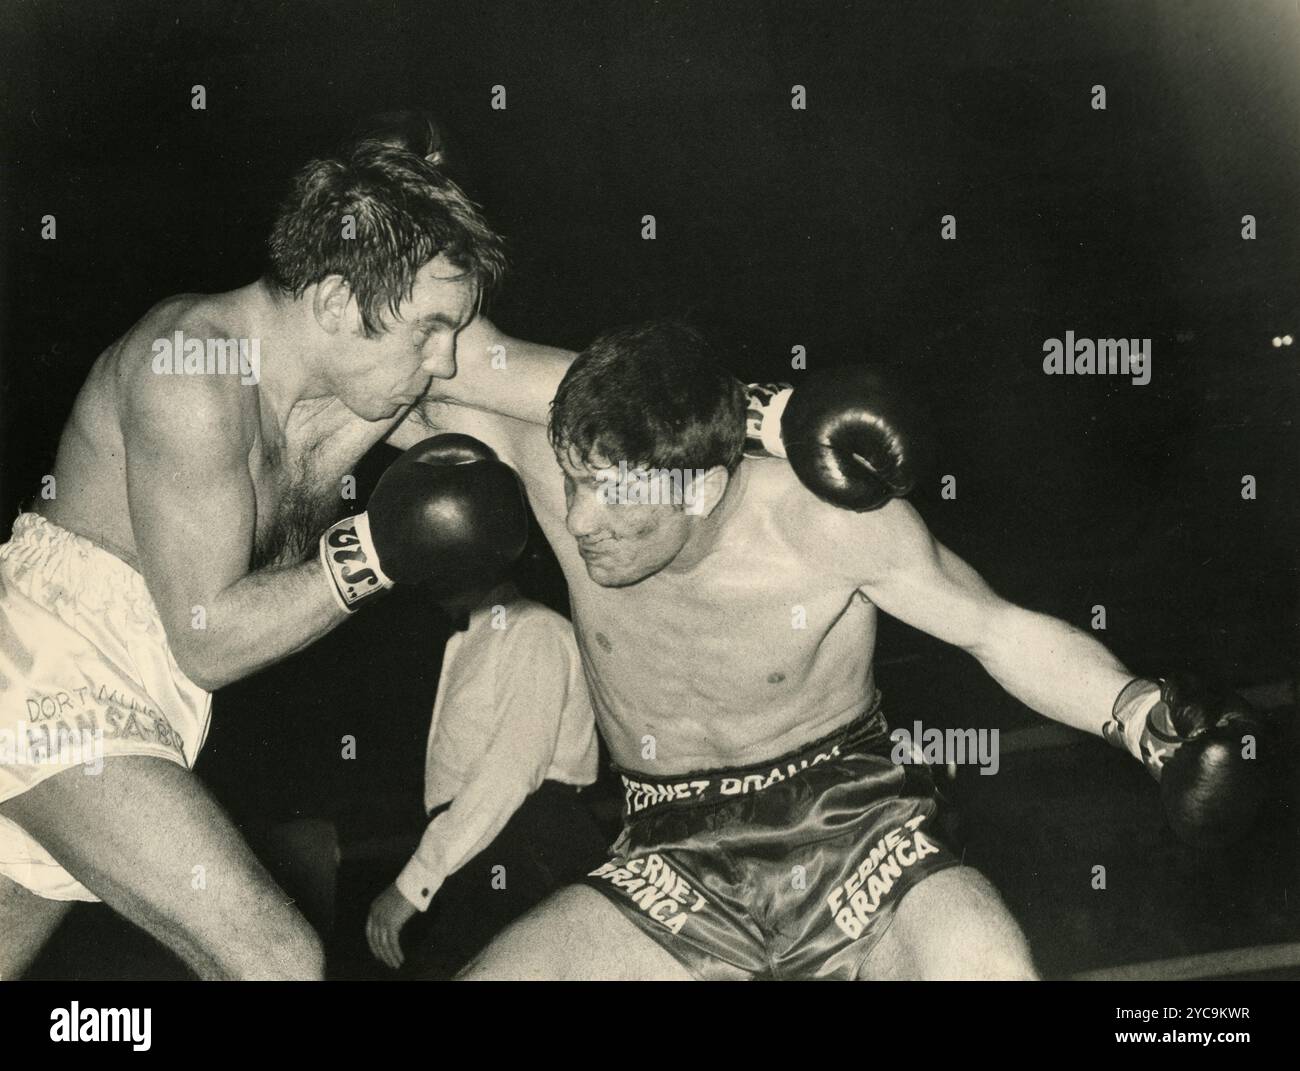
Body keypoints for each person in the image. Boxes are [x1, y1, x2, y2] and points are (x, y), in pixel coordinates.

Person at [415, 319, 1269, 980]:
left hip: (855, 826)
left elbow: (994, 627)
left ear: (704, 483)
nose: (576, 520)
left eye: (612, 496)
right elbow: (423, 365)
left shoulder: (821, 522)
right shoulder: (556, 456)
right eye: (572, 482)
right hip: (669, 854)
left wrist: (1133, 710)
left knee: (990, 971)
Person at [0, 143, 530, 980]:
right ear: (332, 299)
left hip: (148, 697)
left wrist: (750, 421)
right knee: (275, 959)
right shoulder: (191, 369)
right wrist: (374, 552)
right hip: (48, 670)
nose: (446, 358)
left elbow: (541, 396)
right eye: (430, 329)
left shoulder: (352, 383)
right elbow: (207, 640)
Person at [364, 580, 602, 977]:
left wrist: (412, 884)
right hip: (487, 843)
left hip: (524, 835)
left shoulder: (532, 629)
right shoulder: (471, 639)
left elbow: (511, 769)